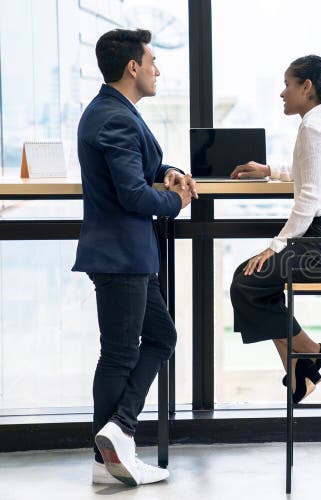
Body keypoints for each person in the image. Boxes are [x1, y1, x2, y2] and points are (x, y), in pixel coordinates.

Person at [72, 28, 198, 487]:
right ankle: (111, 449)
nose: (157, 70)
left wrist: (169, 172)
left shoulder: (115, 112)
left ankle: (115, 436)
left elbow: (142, 169)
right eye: (152, 61)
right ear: (133, 67)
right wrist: (176, 202)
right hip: (121, 253)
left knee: (161, 336)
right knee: (120, 355)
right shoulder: (114, 117)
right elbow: (131, 192)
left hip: (129, 254)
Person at [229, 55, 321, 404]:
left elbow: (309, 197)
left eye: (288, 84)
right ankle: (300, 369)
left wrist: (274, 246)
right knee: (258, 282)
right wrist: (269, 170)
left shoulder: (314, 126)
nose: (282, 92)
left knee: (247, 280)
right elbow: (310, 173)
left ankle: (309, 350)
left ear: (307, 88)